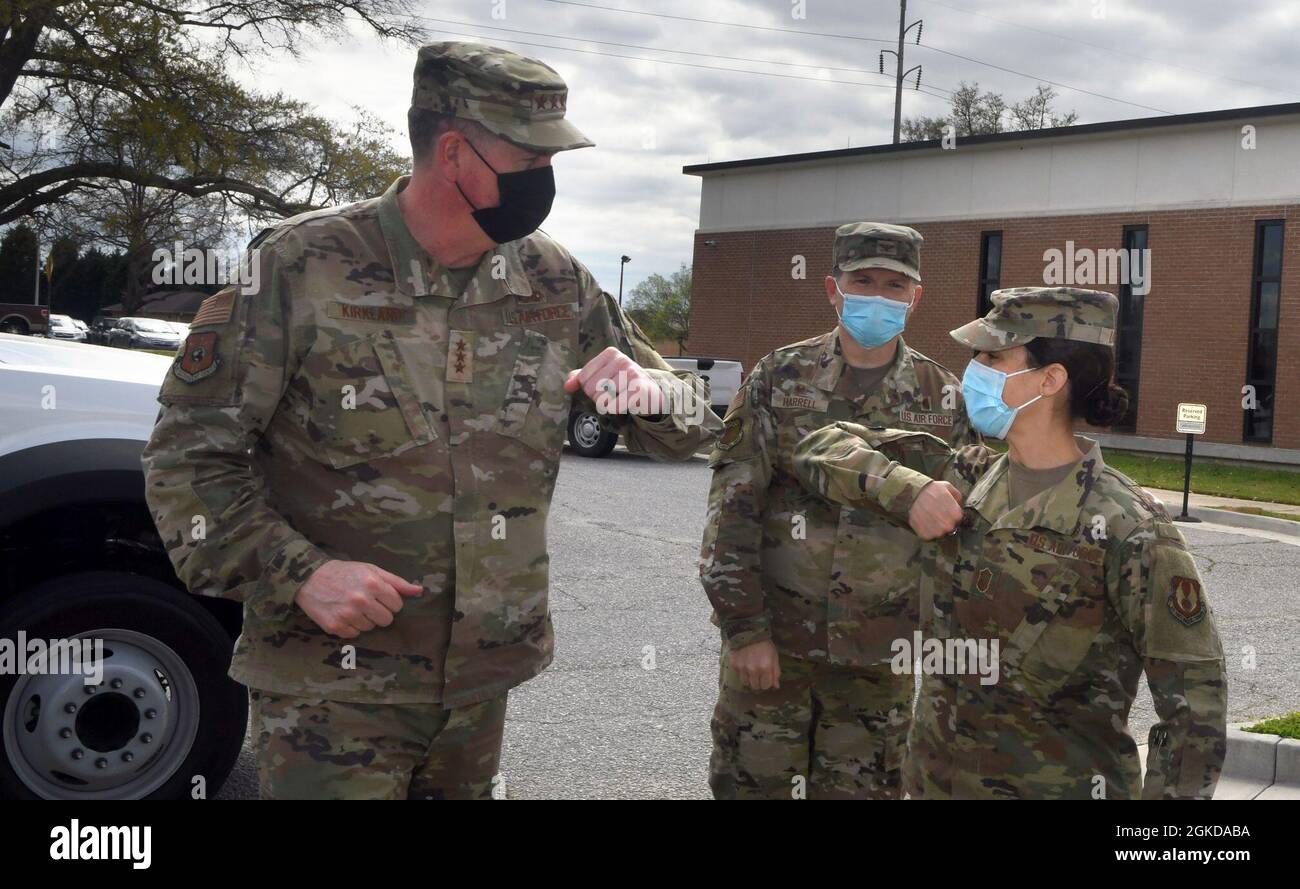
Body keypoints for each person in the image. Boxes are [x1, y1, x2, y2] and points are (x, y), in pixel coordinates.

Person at [141, 41, 720, 800]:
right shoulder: (299, 267)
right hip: (333, 686)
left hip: (481, 685)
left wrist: (652, 394)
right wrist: (300, 572)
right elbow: (187, 463)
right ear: (454, 153)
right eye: (530, 157)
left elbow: (697, 424)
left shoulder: (555, 281)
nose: (546, 179)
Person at [793, 286, 1227, 799]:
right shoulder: (963, 474)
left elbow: (1196, 710)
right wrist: (905, 491)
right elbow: (819, 448)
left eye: (993, 356)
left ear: (1050, 379)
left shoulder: (1128, 527)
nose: (972, 369)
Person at [700, 222, 979, 799]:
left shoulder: (943, 396)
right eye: (864, 281)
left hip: (881, 660)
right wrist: (745, 630)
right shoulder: (779, 378)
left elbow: (965, 523)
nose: (878, 296)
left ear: (915, 297)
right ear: (834, 289)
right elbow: (732, 512)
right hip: (777, 644)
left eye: (895, 286)